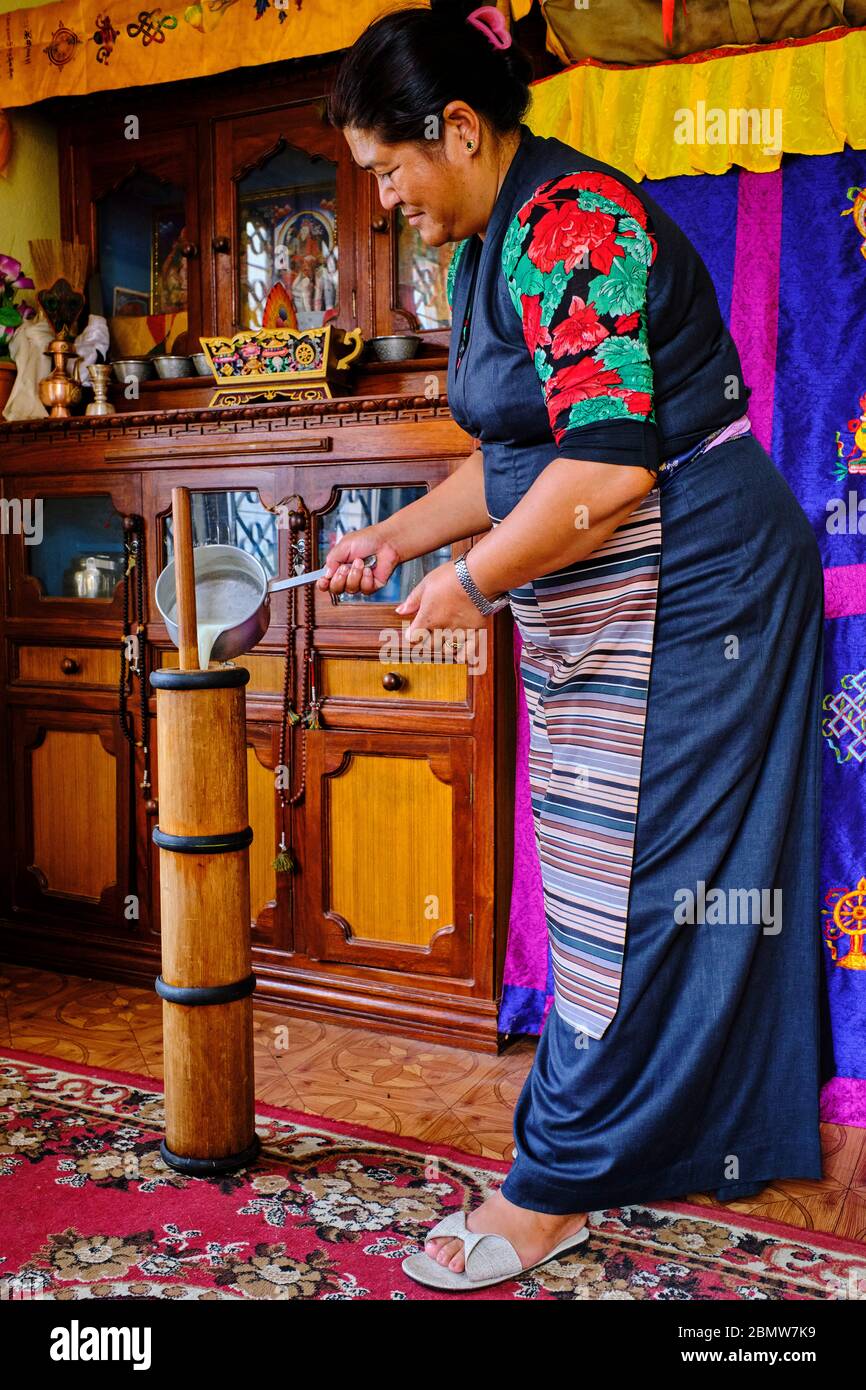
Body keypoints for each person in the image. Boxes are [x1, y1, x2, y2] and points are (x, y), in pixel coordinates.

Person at [320, 0, 828, 1292]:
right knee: (610, 885)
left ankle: (556, 1182)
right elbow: (517, 462)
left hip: (699, 583)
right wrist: (398, 539)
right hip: (627, 586)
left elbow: (602, 480)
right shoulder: (489, 239)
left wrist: (469, 587)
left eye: (389, 171)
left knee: (635, 885)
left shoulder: (575, 224)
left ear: (456, 129)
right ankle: (659, 1134)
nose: (388, 201)